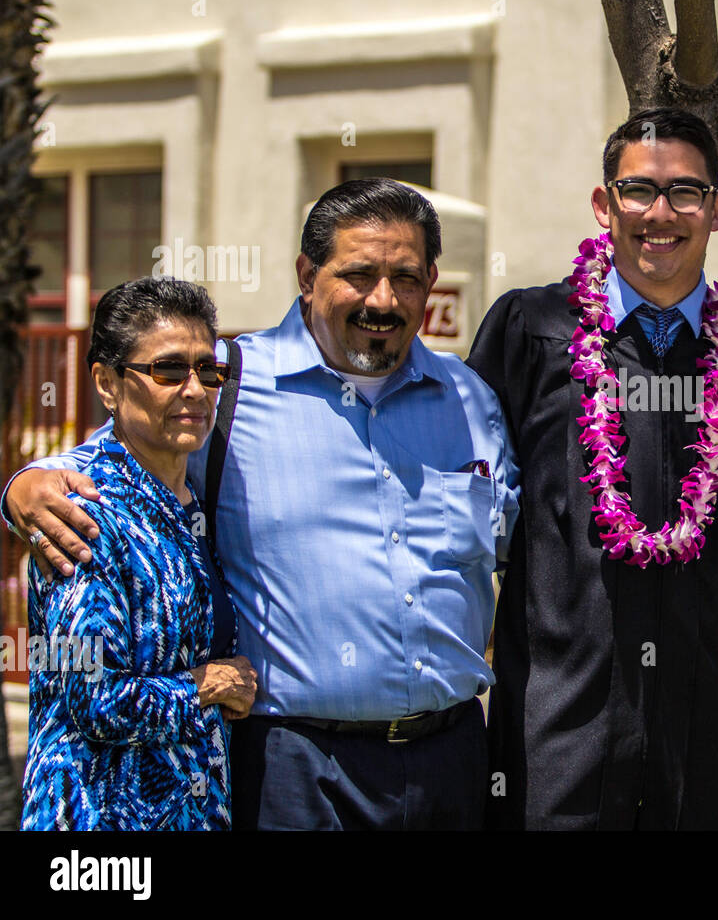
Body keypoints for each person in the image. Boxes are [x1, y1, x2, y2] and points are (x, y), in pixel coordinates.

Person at [5, 179, 520, 830]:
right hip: (296, 770)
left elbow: (521, 541)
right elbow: (117, 454)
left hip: (452, 762)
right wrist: (23, 485)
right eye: (359, 275)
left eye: (406, 278)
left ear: (431, 281)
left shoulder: (470, 400)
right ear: (307, 275)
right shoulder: (224, 382)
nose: (383, 300)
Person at [467, 107, 718, 829]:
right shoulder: (531, 331)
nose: (661, 212)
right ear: (604, 203)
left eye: (686, 192)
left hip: (710, 725)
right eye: (639, 189)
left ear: (717, 209)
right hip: (561, 719)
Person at [22, 276, 257, 830]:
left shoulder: (189, 498)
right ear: (107, 384)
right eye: (168, 370)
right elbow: (95, 698)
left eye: (208, 370)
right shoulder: (85, 512)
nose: (195, 389)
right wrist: (210, 684)